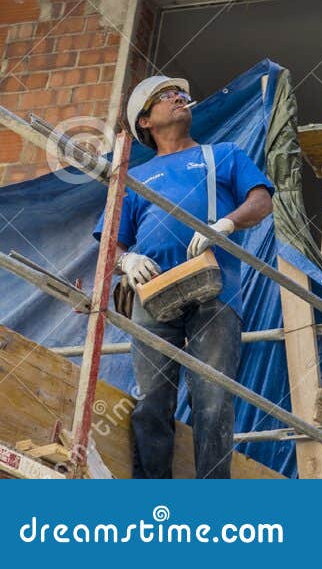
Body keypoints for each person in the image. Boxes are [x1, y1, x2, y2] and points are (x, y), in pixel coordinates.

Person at [94, 74, 274, 479]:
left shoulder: (222, 155)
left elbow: (261, 200)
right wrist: (127, 262)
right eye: (165, 95)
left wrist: (226, 224)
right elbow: (110, 244)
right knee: (152, 398)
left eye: (180, 94)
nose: (179, 97)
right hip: (153, 292)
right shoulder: (135, 179)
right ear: (144, 121)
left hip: (213, 290)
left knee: (212, 396)